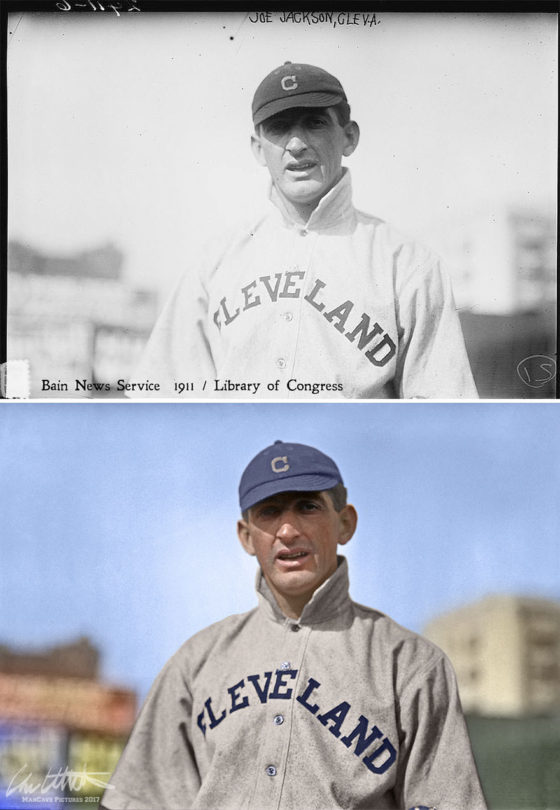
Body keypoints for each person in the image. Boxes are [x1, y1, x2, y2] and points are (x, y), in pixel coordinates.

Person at [101, 440, 487, 810]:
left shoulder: (410, 664)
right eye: (269, 512)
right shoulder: (196, 661)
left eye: (307, 506)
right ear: (246, 536)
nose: (287, 531)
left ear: (345, 523)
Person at [129, 62, 477, 400]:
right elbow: (161, 400)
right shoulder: (216, 261)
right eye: (279, 128)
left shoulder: (408, 264)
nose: (296, 145)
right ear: (258, 148)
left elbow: (444, 412)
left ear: (349, 137)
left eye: (314, 123)